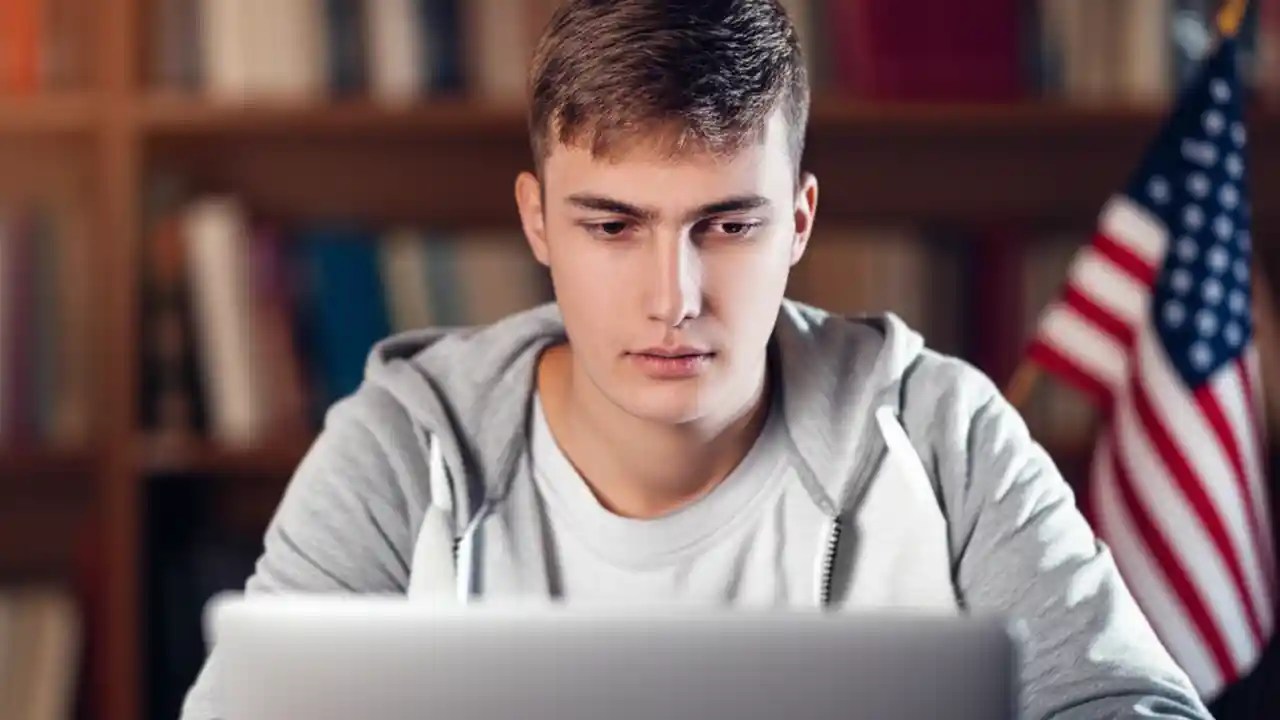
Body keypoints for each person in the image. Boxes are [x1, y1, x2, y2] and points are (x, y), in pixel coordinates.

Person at [182, 1, 1211, 717]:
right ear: (537, 222)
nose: (672, 297)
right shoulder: (402, 448)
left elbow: (1125, 708)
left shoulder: (940, 432)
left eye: (724, 226)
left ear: (798, 222)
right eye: (612, 227)